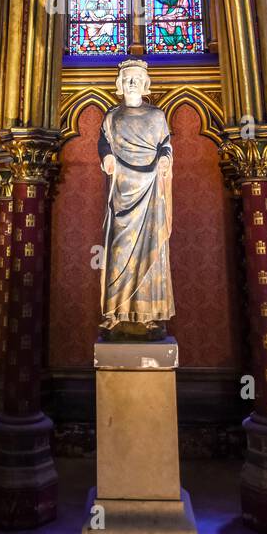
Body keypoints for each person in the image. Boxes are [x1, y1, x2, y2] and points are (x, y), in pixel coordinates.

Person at [97, 58, 174, 340]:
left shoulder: (157, 117)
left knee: (151, 253)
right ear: (119, 84)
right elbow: (104, 142)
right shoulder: (112, 117)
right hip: (122, 195)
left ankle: (149, 316)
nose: (132, 82)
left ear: (145, 84)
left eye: (137, 78)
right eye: (127, 78)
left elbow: (165, 145)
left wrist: (164, 160)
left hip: (150, 191)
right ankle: (117, 314)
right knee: (118, 254)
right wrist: (106, 156)